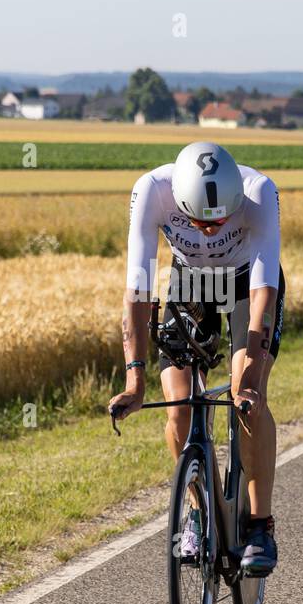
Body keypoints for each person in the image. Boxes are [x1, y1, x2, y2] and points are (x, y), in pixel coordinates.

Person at [108, 141, 284, 576]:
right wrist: (135, 381)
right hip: (192, 282)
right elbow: (138, 289)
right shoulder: (152, 189)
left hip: (247, 284)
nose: (209, 231)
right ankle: (197, 511)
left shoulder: (258, 190)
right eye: (198, 222)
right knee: (180, 404)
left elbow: (264, 292)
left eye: (220, 221)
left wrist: (254, 375)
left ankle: (260, 523)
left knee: (248, 396)